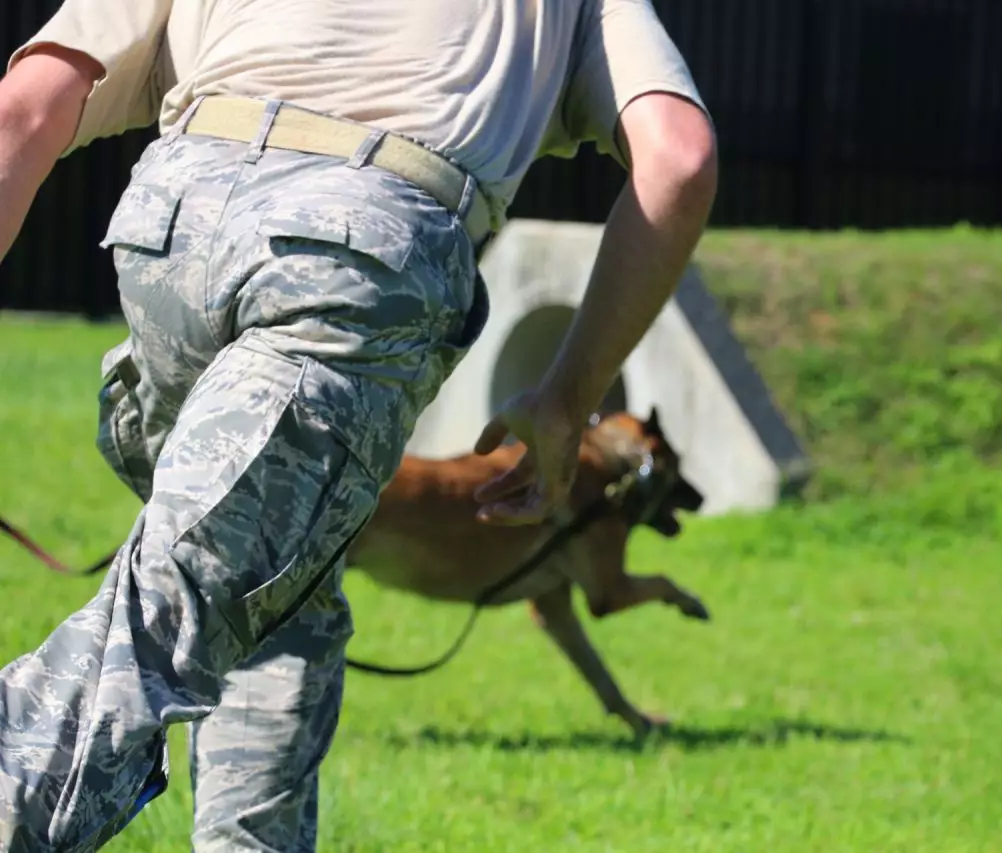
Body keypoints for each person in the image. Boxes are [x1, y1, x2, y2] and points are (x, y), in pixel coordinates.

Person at [0, 0, 718, 848]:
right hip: (354, 254)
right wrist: (565, 399)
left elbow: (27, 108)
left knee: (277, 598)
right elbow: (678, 158)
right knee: (167, 621)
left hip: (171, 230)